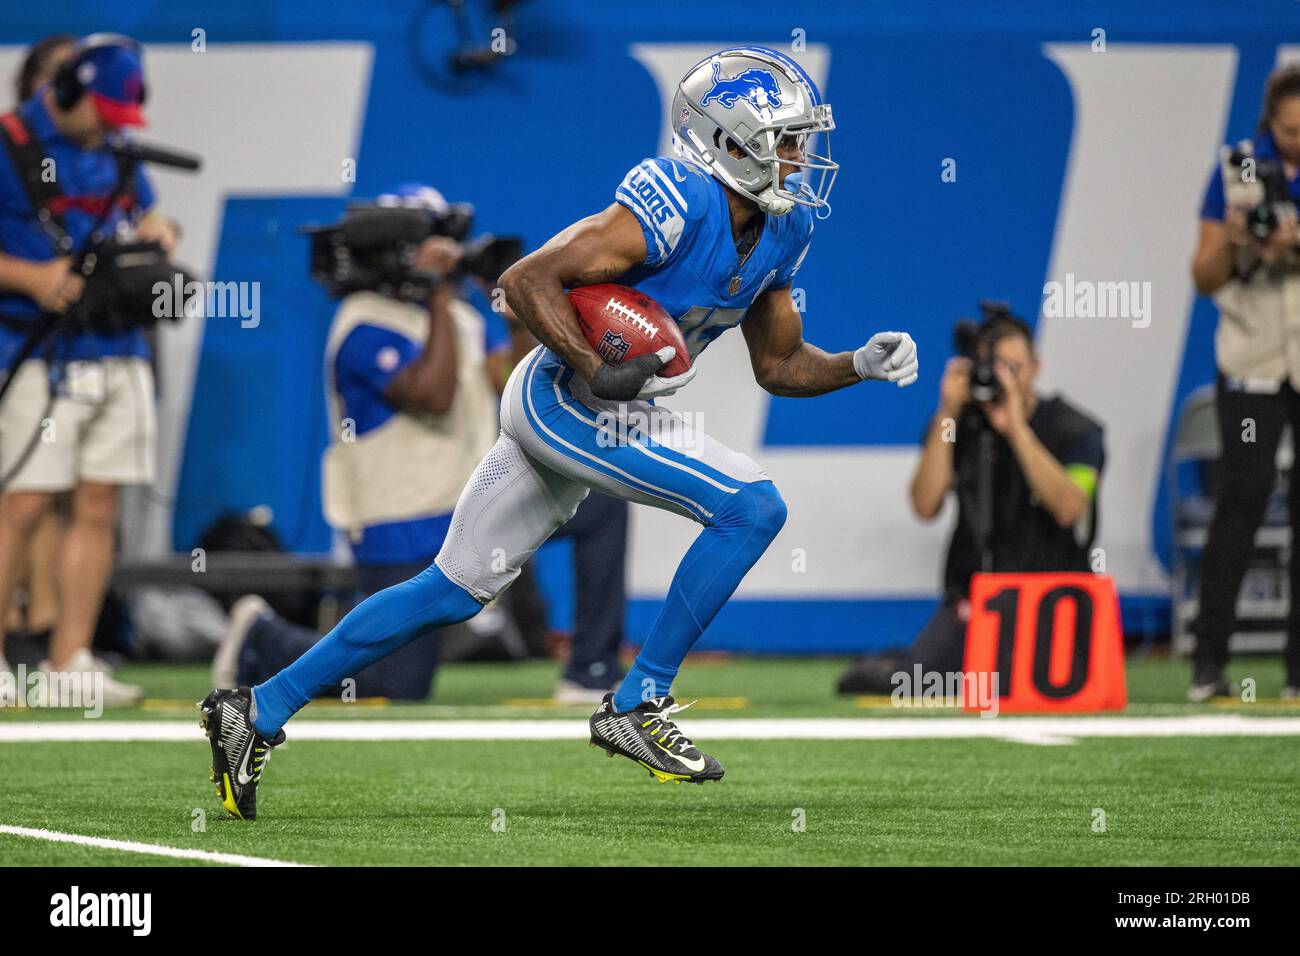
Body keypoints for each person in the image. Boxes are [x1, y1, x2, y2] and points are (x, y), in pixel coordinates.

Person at [199, 46, 919, 819]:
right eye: (785, 139)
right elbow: (525, 281)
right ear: (728, 140)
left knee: (449, 591)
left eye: (802, 138)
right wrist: (591, 362)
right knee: (753, 507)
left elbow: (777, 365)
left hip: (602, 406)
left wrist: (856, 365)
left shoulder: (784, 231)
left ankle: (255, 710)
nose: (801, 157)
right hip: (564, 396)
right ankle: (637, 702)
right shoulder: (676, 197)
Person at [211, 184, 510, 702]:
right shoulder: (363, 323)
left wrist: (515, 300)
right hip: (402, 517)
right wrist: (440, 291)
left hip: (464, 508)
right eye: (427, 242)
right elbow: (434, 396)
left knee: (597, 510)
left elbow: (509, 378)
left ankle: (590, 670)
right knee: (399, 684)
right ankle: (261, 636)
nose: (442, 252)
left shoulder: (457, 316)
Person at [0, 34, 176, 707]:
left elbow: (149, 214)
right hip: (37, 350)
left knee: (99, 503)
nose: (109, 128)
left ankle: (68, 660)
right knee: (23, 505)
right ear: (65, 91)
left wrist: (160, 237)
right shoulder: (8, 143)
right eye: (101, 112)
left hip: (117, 348)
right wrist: (30, 276)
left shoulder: (119, 153)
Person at [837, 311, 1104, 694]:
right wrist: (947, 413)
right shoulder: (958, 424)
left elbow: (1070, 508)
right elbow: (925, 505)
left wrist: (1016, 430)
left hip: (1048, 603)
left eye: (1013, 367)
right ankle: (899, 661)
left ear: (1036, 366)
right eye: (993, 367)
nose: (1002, 378)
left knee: (1018, 686)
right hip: (975, 602)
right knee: (911, 684)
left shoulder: (1077, 430)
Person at [1188, 64, 1300, 701]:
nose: (1296, 142)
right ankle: (1208, 667)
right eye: (1288, 130)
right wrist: (1238, 242)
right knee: (1242, 503)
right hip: (1251, 360)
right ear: (1269, 122)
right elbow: (1202, 277)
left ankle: (1297, 677)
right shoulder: (1240, 169)